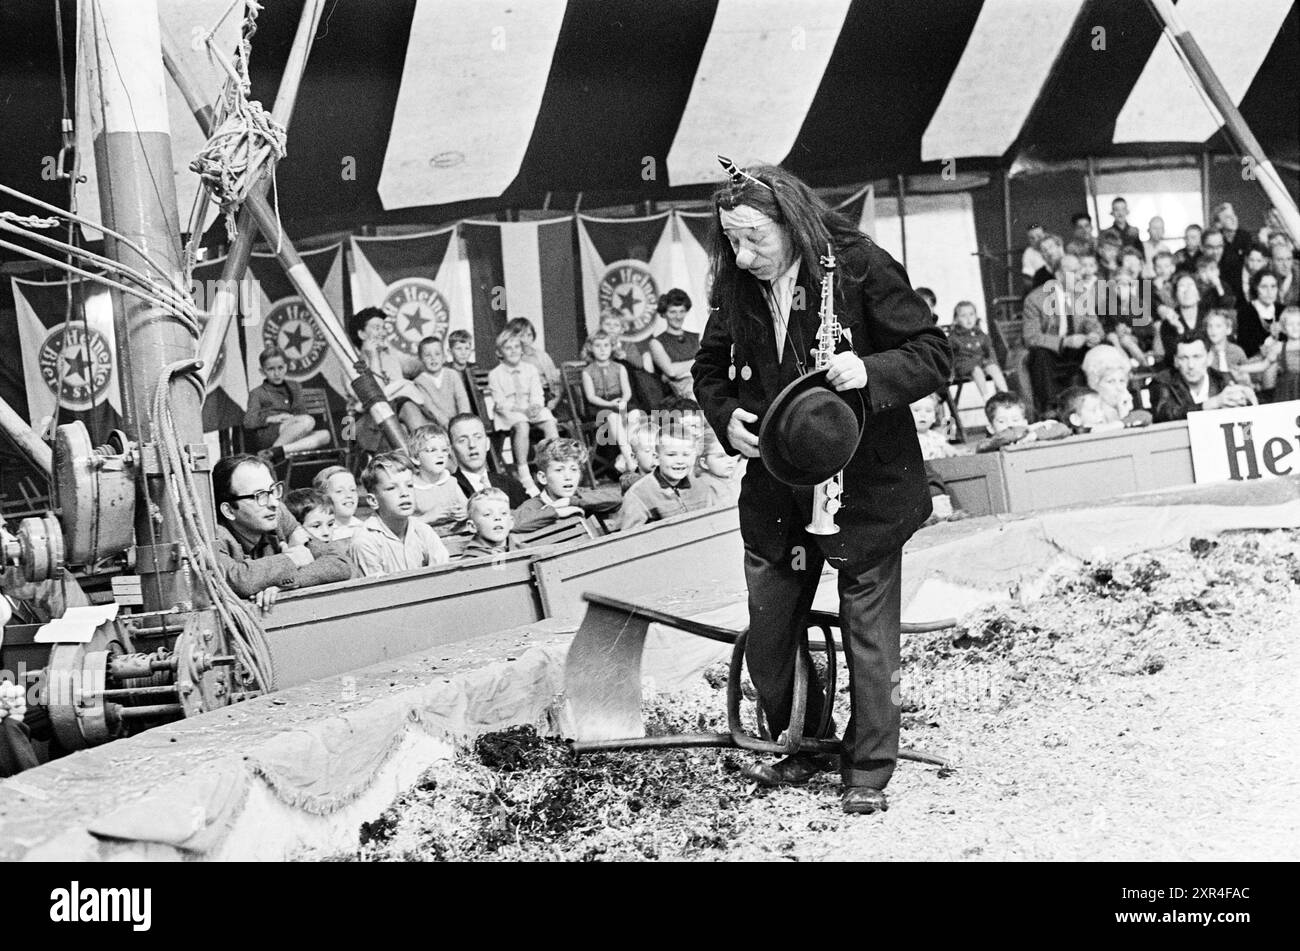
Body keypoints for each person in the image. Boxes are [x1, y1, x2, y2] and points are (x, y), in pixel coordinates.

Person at [692, 160, 950, 816]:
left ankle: (867, 767)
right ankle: (805, 742)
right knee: (770, 631)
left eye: (755, 238)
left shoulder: (859, 264)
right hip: (777, 498)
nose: (742, 255)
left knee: (869, 633)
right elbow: (706, 370)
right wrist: (727, 416)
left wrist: (868, 369)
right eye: (731, 240)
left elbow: (933, 351)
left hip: (865, 488)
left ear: (791, 221)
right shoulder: (739, 284)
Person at [213, 454, 352, 612]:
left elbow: (339, 562)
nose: (273, 503)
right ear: (229, 510)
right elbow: (238, 580)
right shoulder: (214, 534)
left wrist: (289, 581)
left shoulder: (278, 514)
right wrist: (292, 559)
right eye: (260, 496)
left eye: (273, 490)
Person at [1022, 253, 1103, 415]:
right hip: (1052, 350)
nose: (1080, 276)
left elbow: (1094, 325)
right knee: (1039, 354)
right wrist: (1064, 341)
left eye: (1079, 271)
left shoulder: (1081, 295)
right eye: (1074, 271)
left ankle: (1101, 402)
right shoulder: (1035, 299)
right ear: (1058, 275)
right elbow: (1031, 337)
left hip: (1077, 349)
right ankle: (1051, 409)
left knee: (1101, 349)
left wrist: (1095, 335)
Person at [349, 452, 450, 577]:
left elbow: (443, 574)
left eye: (409, 485)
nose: (404, 493)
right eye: (392, 488)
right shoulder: (365, 541)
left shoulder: (423, 531)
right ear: (373, 501)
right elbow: (376, 592)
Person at [616, 420, 721, 531]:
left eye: (686, 454)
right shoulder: (638, 495)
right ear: (656, 458)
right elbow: (630, 540)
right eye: (671, 454)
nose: (680, 461)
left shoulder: (703, 486)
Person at [488, 328, 558, 491]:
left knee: (548, 419)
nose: (513, 351)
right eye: (508, 348)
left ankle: (554, 462)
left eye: (516, 347)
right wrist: (522, 411)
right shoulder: (495, 374)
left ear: (521, 349)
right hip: (509, 412)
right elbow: (500, 402)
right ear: (500, 352)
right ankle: (523, 471)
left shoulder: (530, 369)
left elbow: (537, 393)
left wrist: (535, 406)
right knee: (522, 424)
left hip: (529, 408)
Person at [351, 306, 435, 433]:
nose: (383, 333)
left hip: (397, 413)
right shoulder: (352, 364)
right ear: (361, 334)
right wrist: (373, 357)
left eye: (384, 328)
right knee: (408, 408)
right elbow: (376, 397)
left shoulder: (389, 355)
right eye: (377, 328)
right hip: (365, 420)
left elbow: (419, 365)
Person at [512, 437, 620, 534]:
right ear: (543, 478)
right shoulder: (534, 504)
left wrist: (571, 501)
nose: (568, 477)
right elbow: (513, 522)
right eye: (559, 470)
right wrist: (556, 511)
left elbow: (619, 498)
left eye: (573, 469)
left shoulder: (581, 495)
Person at [242, 347, 330, 463]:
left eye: (280, 368)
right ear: (262, 371)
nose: (277, 373)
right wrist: (272, 418)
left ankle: (275, 453)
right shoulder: (257, 393)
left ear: (286, 367)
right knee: (308, 421)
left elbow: (301, 412)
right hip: (269, 433)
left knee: (325, 435)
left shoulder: (294, 387)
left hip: (294, 431)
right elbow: (248, 422)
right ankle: (275, 450)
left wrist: (294, 420)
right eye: (271, 369)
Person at [1152, 332, 1257, 423]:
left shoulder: (1223, 378)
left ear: (1209, 358)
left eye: (1197, 357)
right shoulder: (1162, 381)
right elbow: (1162, 414)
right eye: (1184, 358)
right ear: (1176, 361)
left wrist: (1246, 398)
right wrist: (1208, 405)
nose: (1191, 365)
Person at [447, 413, 528, 509]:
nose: (472, 445)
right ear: (451, 451)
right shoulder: (448, 490)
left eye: (478, 437)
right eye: (462, 440)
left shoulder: (512, 485)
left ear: (488, 443)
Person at [581, 330, 634, 470]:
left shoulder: (620, 368)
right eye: (598, 346)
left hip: (619, 403)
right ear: (590, 348)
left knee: (635, 415)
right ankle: (629, 457)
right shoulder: (587, 371)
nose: (602, 349)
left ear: (612, 347)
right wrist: (609, 404)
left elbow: (627, 391)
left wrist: (623, 401)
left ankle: (623, 456)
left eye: (606, 345)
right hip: (599, 407)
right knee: (613, 417)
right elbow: (591, 397)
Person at [409, 424, 469, 535]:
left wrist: (465, 512)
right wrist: (428, 517)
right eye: (432, 450)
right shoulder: (411, 488)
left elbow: (470, 507)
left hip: (457, 535)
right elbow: (402, 525)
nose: (440, 455)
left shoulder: (451, 482)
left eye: (444, 450)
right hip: (426, 540)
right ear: (416, 458)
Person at [947, 300, 1006, 400]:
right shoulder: (954, 337)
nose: (968, 319)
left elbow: (989, 350)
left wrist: (993, 362)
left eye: (971, 314)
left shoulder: (980, 334)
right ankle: (986, 398)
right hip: (964, 364)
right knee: (976, 370)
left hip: (981, 362)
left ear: (976, 316)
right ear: (956, 319)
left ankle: (1006, 394)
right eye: (963, 316)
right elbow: (949, 356)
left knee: (993, 367)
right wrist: (950, 375)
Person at [975, 392, 1071, 453]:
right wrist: (1027, 429)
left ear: (1025, 422)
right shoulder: (990, 444)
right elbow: (983, 446)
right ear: (990, 428)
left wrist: (1035, 434)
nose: (1010, 425)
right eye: (1001, 421)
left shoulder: (1032, 434)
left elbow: (1063, 429)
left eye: (1015, 420)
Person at [648, 288, 700, 399]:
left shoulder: (697, 337)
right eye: (673, 312)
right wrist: (698, 361)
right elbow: (671, 372)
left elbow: (708, 366)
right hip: (678, 393)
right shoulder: (656, 342)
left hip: (701, 382)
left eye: (682, 311)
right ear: (663, 314)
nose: (678, 316)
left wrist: (680, 368)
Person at [413, 335, 473, 429]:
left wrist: (462, 420)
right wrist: (447, 424)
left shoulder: (452, 374)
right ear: (420, 359)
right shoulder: (419, 382)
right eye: (427, 355)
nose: (433, 358)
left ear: (444, 357)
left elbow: (462, 399)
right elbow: (430, 408)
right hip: (437, 426)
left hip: (459, 422)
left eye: (437, 354)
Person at [505, 317, 563, 414]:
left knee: (567, 422)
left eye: (529, 335)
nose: (526, 340)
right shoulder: (511, 359)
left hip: (547, 397)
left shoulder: (542, 356)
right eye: (522, 336)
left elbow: (556, 381)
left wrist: (555, 400)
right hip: (525, 400)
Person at [1156, 273, 1208, 368]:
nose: (1187, 291)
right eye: (1181, 287)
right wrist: (1180, 329)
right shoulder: (1168, 323)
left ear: (1199, 294)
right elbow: (1173, 359)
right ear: (1175, 295)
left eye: (1191, 286)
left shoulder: (1209, 317)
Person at [456, 488, 520, 561]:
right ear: (472, 526)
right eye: (487, 514)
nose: (497, 518)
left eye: (503, 513)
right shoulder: (468, 563)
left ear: (511, 522)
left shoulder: (527, 552)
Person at [313, 465, 364, 540]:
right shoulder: (316, 534)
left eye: (353, 490)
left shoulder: (365, 529)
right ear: (323, 497)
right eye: (339, 491)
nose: (349, 495)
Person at [1203, 310, 1251, 385]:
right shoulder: (1205, 353)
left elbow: (1247, 377)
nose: (1213, 330)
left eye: (1218, 326)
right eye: (1210, 326)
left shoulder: (1237, 351)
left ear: (1228, 330)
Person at [693, 428, 739, 504]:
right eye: (721, 456)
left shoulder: (736, 477)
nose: (730, 460)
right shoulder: (705, 486)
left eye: (732, 454)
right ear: (704, 463)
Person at [910, 394, 957, 460]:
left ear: (934, 418)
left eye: (928, 411)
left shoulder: (937, 437)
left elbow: (951, 451)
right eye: (916, 410)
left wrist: (957, 452)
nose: (923, 415)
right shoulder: (906, 439)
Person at [620, 420, 658, 494]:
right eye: (648, 450)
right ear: (634, 458)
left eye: (659, 450)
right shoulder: (631, 482)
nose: (655, 455)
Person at [1021, 224, 1047, 292]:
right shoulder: (1029, 253)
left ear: (1046, 235)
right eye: (1032, 238)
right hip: (1040, 288)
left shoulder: (1054, 248)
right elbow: (1028, 279)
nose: (1036, 240)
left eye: (1039, 236)